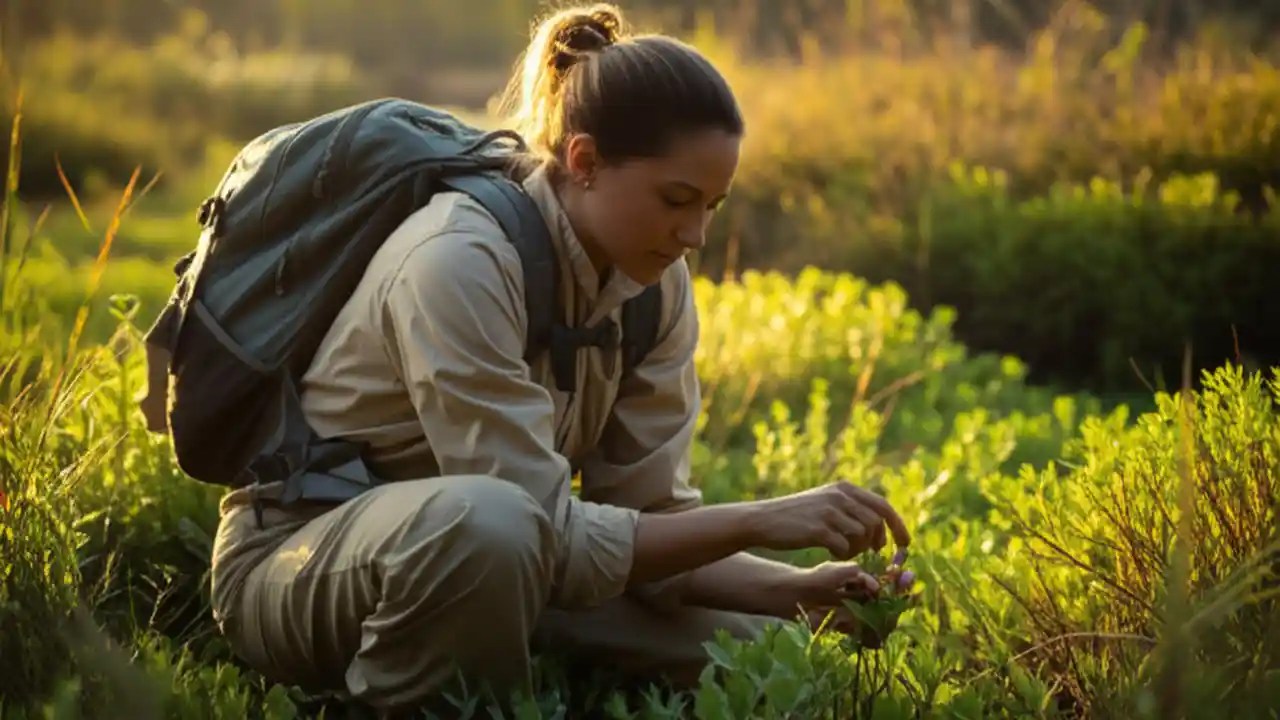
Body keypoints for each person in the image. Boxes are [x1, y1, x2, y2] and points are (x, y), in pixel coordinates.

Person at [171, 2, 912, 713]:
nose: (695, 236)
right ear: (584, 161)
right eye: (676, 199)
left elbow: (644, 527)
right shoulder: (457, 259)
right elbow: (539, 533)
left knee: (767, 653)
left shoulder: (654, 285)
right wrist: (760, 519)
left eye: (711, 207)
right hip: (300, 566)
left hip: (502, 571)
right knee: (489, 524)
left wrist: (798, 590)